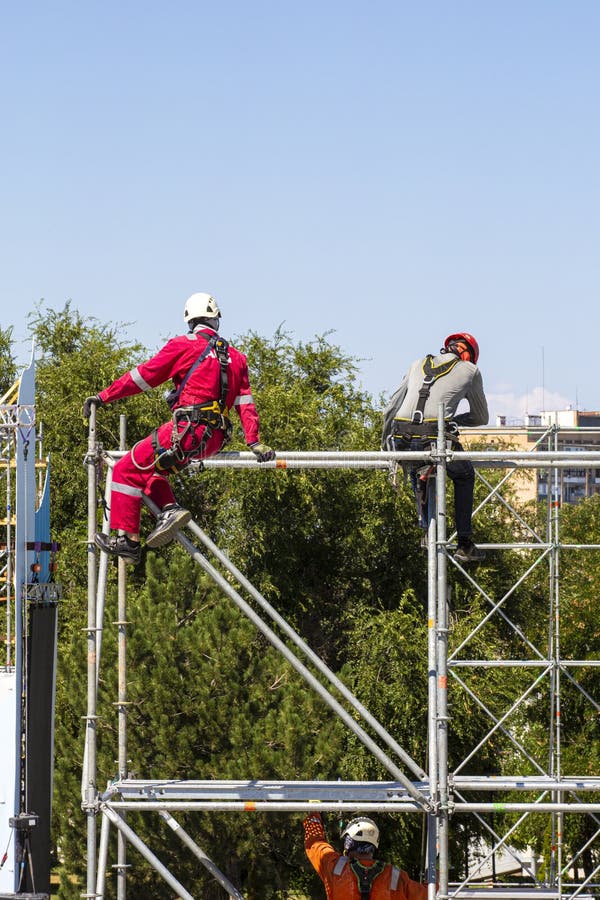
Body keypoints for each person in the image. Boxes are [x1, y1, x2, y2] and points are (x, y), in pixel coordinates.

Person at [83, 292, 275, 564]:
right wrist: (254, 442)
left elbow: (143, 377)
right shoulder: (237, 358)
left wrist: (104, 396)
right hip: (214, 439)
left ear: (190, 321)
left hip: (187, 431)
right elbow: (245, 403)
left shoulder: (183, 346)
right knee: (149, 470)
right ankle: (169, 508)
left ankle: (127, 541)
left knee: (127, 467)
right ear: (215, 321)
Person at [381, 332, 488, 563]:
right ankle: (464, 544)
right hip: (433, 439)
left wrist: (386, 448)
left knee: (417, 464)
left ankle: (427, 529)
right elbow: (481, 416)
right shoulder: (470, 371)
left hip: (400, 437)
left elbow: (390, 407)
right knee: (464, 474)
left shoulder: (417, 364)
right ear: (467, 354)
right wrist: (453, 420)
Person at [303, 812, 429, 899]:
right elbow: (428, 895)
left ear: (349, 843)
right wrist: (437, 877)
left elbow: (315, 842)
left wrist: (313, 814)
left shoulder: (334, 866)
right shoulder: (395, 875)